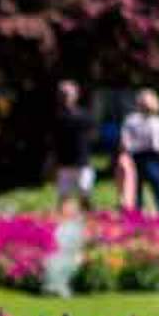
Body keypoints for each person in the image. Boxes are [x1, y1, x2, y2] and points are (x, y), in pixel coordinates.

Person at [118, 89, 159, 217]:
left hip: (153, 156)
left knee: (156, 182)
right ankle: (137, 211)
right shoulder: (132, 120)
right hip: (136, 156)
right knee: (136, 186)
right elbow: (125, 139)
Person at [50, 81, 97, 215]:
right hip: (64, 162)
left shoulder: (83, 114)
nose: (65, 97)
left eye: (68, 94)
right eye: (62, 94)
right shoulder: (56, 116)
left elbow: (92, 133)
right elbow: (53, 142)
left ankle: (89, 220)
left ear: (75, 95)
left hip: (82, 160)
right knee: (63, 195)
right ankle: (60, 222)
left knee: (85, 192)